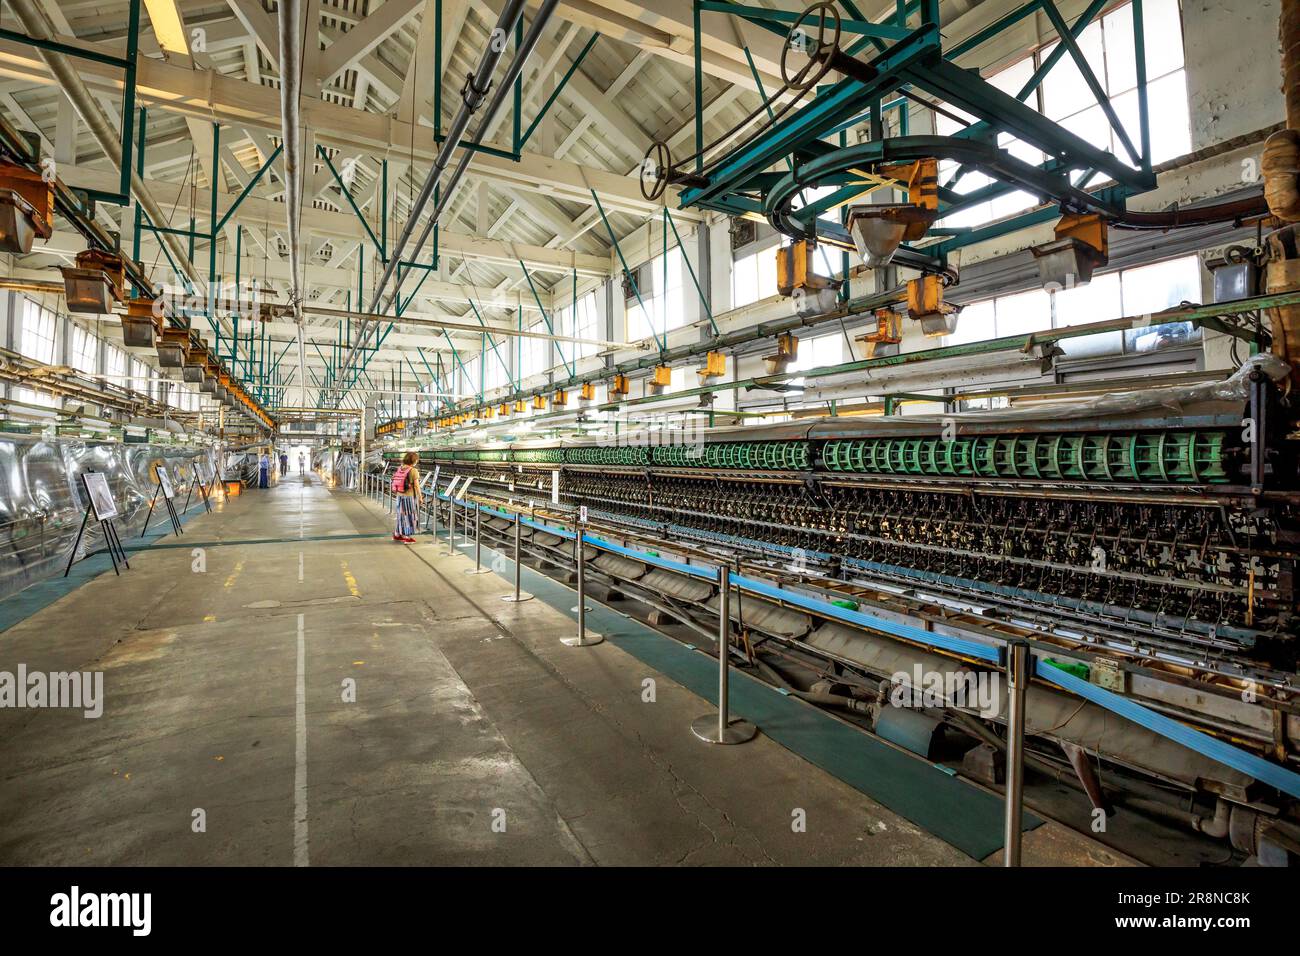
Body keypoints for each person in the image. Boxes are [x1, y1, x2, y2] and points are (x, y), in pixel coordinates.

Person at [391, 452, 421, 543]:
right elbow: (416, 485)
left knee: (401, 515)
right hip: (409, 497)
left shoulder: (400, 468)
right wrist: (420, 496)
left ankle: (397, 534)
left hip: (399, 496)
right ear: (414, 461)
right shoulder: (413, 470)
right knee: (409, 516)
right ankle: (407, 537)